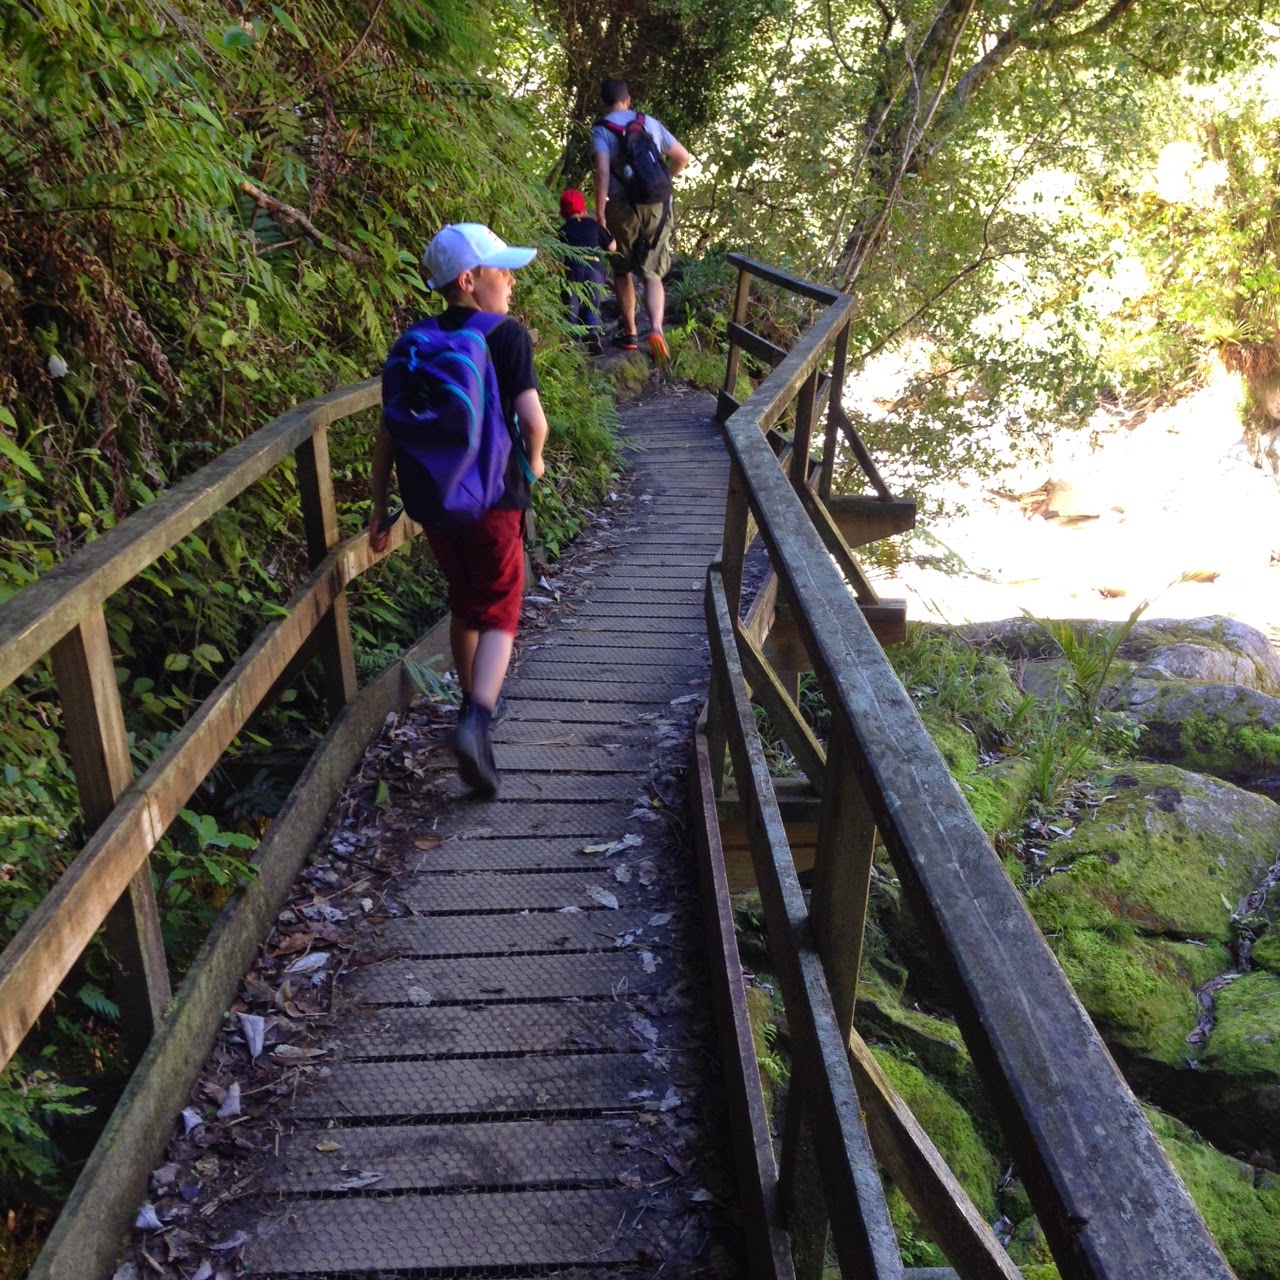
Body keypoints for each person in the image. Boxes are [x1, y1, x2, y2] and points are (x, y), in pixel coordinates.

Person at [368, 223, 548, 797]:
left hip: (436, 504)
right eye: (502, 270)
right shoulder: (506, 335)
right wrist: (535, 464)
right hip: (495, 501)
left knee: (465, 601)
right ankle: (476, 718)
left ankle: (471, 713)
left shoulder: (413, 342)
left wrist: (378, 510)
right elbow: (534, 422)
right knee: (501, 608)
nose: (512, 281)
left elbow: (388, 436)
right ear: (469, 281)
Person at [592, 77, 691, 364]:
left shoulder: (601, 130)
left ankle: (631, 333)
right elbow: (682, 157)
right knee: (653, 273)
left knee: (622, 269)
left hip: (621, 207)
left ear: (603, 102)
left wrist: (600, 213)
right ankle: (657, 330)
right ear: (628, 100)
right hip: (658, 206)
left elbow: (602, 172)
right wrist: (664, 181)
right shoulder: (648, 122)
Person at [558, 188, 615, 353]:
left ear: (562, 212)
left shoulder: (564, 229)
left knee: (572, 304)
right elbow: (612, 247)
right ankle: (593, 333)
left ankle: (570, 342)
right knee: (593, 305)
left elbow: (556, 253)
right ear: (583, 210)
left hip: (573, 270)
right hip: (595, 270)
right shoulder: (593, 225)